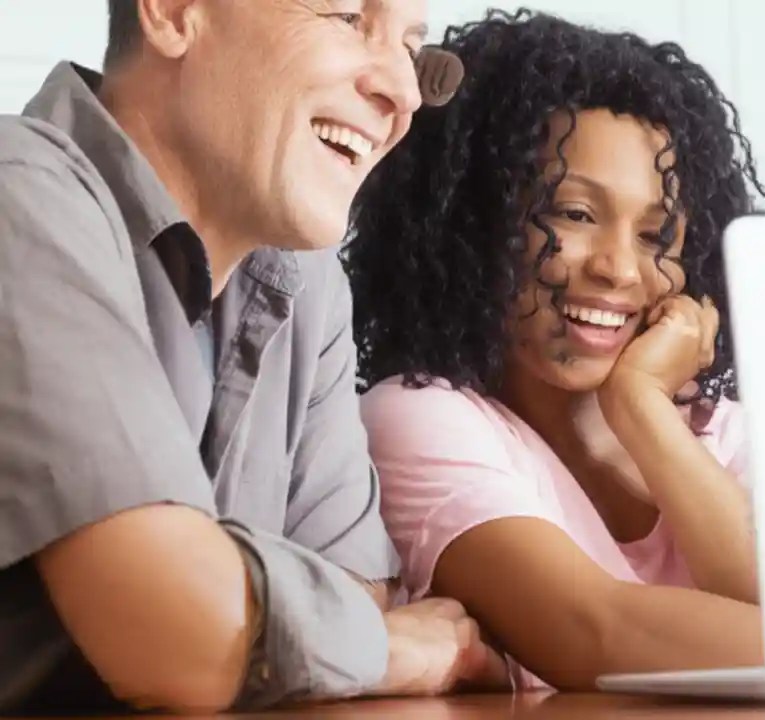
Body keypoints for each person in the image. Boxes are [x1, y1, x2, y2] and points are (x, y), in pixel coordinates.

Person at [0, 1, 496, 715]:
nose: (407, 92)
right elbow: (179, 638)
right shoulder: (20, 194)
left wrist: (217, 591)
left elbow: (352, 595)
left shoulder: (310, 283)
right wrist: (383, 646)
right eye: (348, 18)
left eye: (411, 49)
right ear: (173, 13)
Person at [347, 9, 765, 690]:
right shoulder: (419, 419)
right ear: (475, 224)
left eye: (657, 236)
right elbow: (596, 631)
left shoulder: (723, 433)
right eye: (576, 216)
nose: (619, 269)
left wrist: (642, 412)